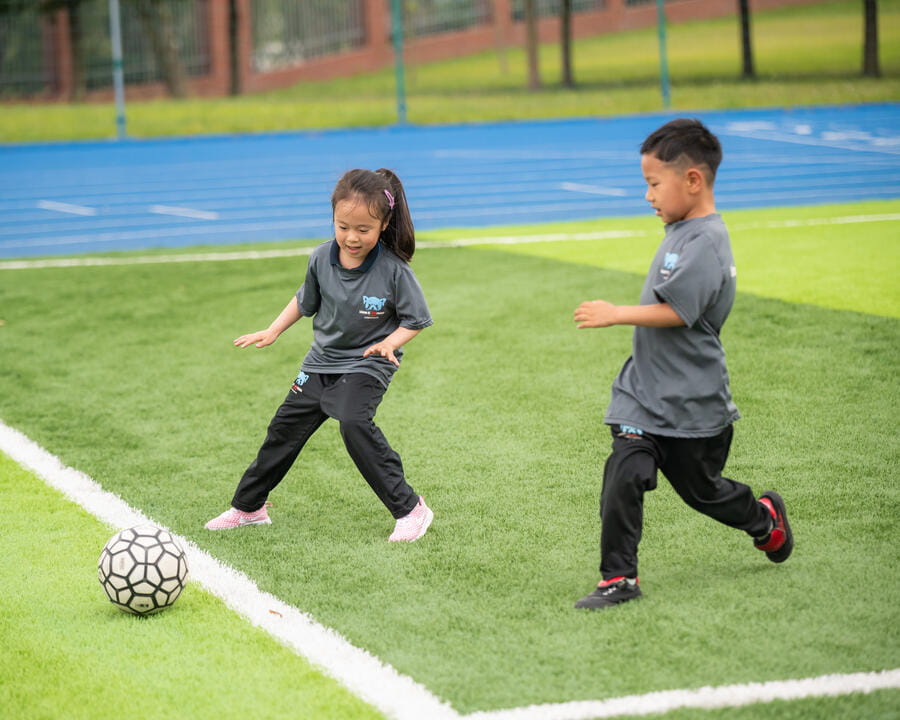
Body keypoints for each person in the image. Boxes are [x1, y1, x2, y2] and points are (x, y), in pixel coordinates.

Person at [572, 118, 793, 610]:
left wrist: (615, 314)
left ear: (693, 180)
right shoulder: (679, 229)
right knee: (625, 470)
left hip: (693, 403)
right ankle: (618, 578)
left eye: (654, 184)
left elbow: (678, 312)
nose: (648, 195)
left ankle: (763, 519)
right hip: (642, 393)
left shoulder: (707, 242)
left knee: (704, 494)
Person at [205, 168, 434, 542]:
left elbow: (416, 320)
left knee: (353, 421)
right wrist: (273, 330)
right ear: (333, 219)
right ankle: (249, 508)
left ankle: (410, 509)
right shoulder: (320, 259)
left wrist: (391, 342)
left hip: (367, 363)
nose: (351, 237)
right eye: (343, 226)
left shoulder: (394, 270)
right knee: (283, 430)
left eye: (363, 229)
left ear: (384, 223)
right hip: (320, 363)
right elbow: (303, 301)